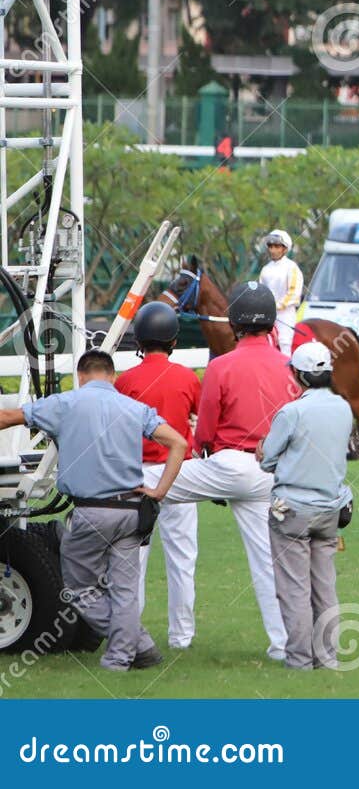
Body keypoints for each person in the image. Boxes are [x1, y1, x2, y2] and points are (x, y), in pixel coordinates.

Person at [0, 350, 188, 671]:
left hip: (92, 512)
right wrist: (159, 492)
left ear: (81, 376)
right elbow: (180, 443)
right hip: (132, 511)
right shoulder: (135, 407)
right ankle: (127, 655)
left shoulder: (65, 403)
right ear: (112, 377)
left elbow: (7, 418)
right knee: (125, 591)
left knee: (77, 587)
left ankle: (133, 646)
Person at [162, 282, 295, 658]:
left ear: (234, 323)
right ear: (271, 324)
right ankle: (283, 645)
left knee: (143, 485)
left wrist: (207, 456)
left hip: (228, 463)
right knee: (267, 564)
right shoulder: (288, 365)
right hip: (272, 474)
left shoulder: (220, 365)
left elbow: (203, 431)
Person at [258, 341, 353, 670]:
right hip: (330, 508)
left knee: (294, 588)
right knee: (325, 585)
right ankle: (327, 657)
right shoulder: (344, 408)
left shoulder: (292, 411)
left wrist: (265, 451)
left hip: (292, 510)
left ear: (298, 375)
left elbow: (267, 460)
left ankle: (299, 659)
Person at [117, 302, 202, 650]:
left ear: (139, 338)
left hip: (136, 477)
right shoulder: (187, 378)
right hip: (178, 473)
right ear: (173, 340)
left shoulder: (124, 381)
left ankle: (131, 633)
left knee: (131, 560)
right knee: (182, 559)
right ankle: (181, 636)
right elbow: (201, 422)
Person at [259, 229, 304, 356]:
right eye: (271, 246)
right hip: (267, 314)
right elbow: (262, 291)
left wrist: (276, 306)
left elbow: (294, 293)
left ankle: (286, 370)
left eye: (277, 246)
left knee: (284, 343)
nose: (273, 250)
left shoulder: (291, 267)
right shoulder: (265, 269)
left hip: (285, 314)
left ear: (285, 249)